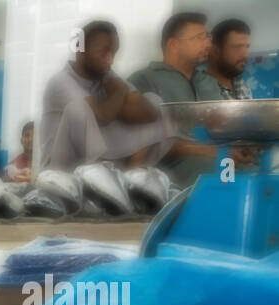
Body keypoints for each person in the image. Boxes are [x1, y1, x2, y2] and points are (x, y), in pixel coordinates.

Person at [37, 20, 169, 172]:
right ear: (80, 51)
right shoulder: (60, 82)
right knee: (79, 108)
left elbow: (150, 113)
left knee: (155, 101)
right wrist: (119, 93)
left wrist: (116, 108)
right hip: (60, 169)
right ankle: (103, 178)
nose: (111, 60)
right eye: (104, 52)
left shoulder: (104, 75)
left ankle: (133, 179)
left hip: (94, 159)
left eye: (114, 53)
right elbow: (102, 117)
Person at [128, 12, 235, 188]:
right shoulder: (143, 81)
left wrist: (239, 146)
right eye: (200, 37)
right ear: (174, 45)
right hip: (172, 170)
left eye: (208, 37)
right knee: (223, 176)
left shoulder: (209, 82)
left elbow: (223, 128)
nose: (208, 43)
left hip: (219, 158)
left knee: (262, 170)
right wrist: (211, 152)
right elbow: (140, 143)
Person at [207, 18, 252, 100]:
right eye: (238, 47)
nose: (246, 55)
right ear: (215, 50)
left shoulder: (241, 84)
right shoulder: (199, 90)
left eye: (247, 47)